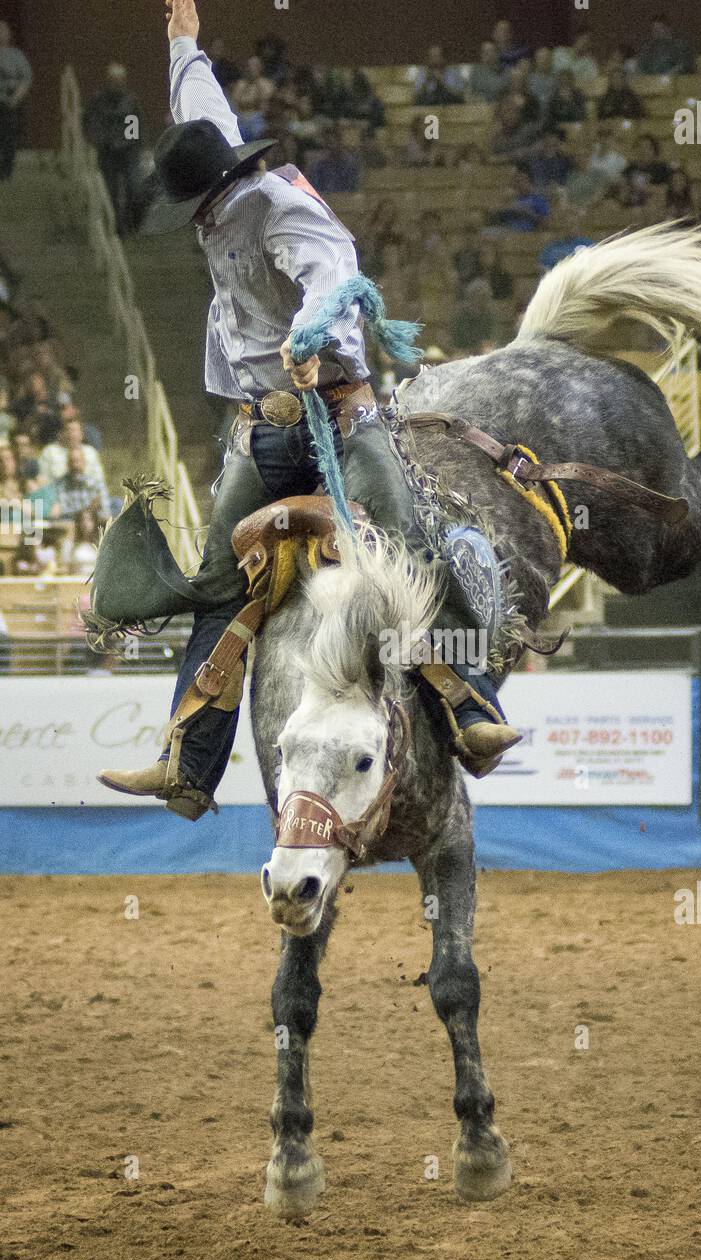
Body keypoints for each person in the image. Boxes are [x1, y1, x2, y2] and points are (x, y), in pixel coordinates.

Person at [98, 0, 519, 819]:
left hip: (340, 412)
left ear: (223, 184)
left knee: (406, 543)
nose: (201, 219)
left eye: (202, 202)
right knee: (220, 581)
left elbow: (331, 273)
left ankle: (472, 712)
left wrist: (308, 334)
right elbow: (200, 103)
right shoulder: (213, 166)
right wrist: (181, 41)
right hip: (263, 427)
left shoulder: (280, 207)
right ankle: (187, 763)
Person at [84, 64, 145, 236]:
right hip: (107, 152)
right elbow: (92, 124)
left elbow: (135, 127)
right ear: (108, 81)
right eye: (113, 81)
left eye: (120, 81)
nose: (117, 84)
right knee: (110, 191)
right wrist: (102, 142)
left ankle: (131, 223)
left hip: (127, 152)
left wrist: (126, 143)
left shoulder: (130, 101)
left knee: (133, 187)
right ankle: (116, 225)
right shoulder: (98, 101)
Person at [0, 21, 32, 182]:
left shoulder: (16, 55)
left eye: (3, 31)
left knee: (9, 138)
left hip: (10, 104)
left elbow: (25, 79)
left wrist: (16, 98)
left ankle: (6, 171)